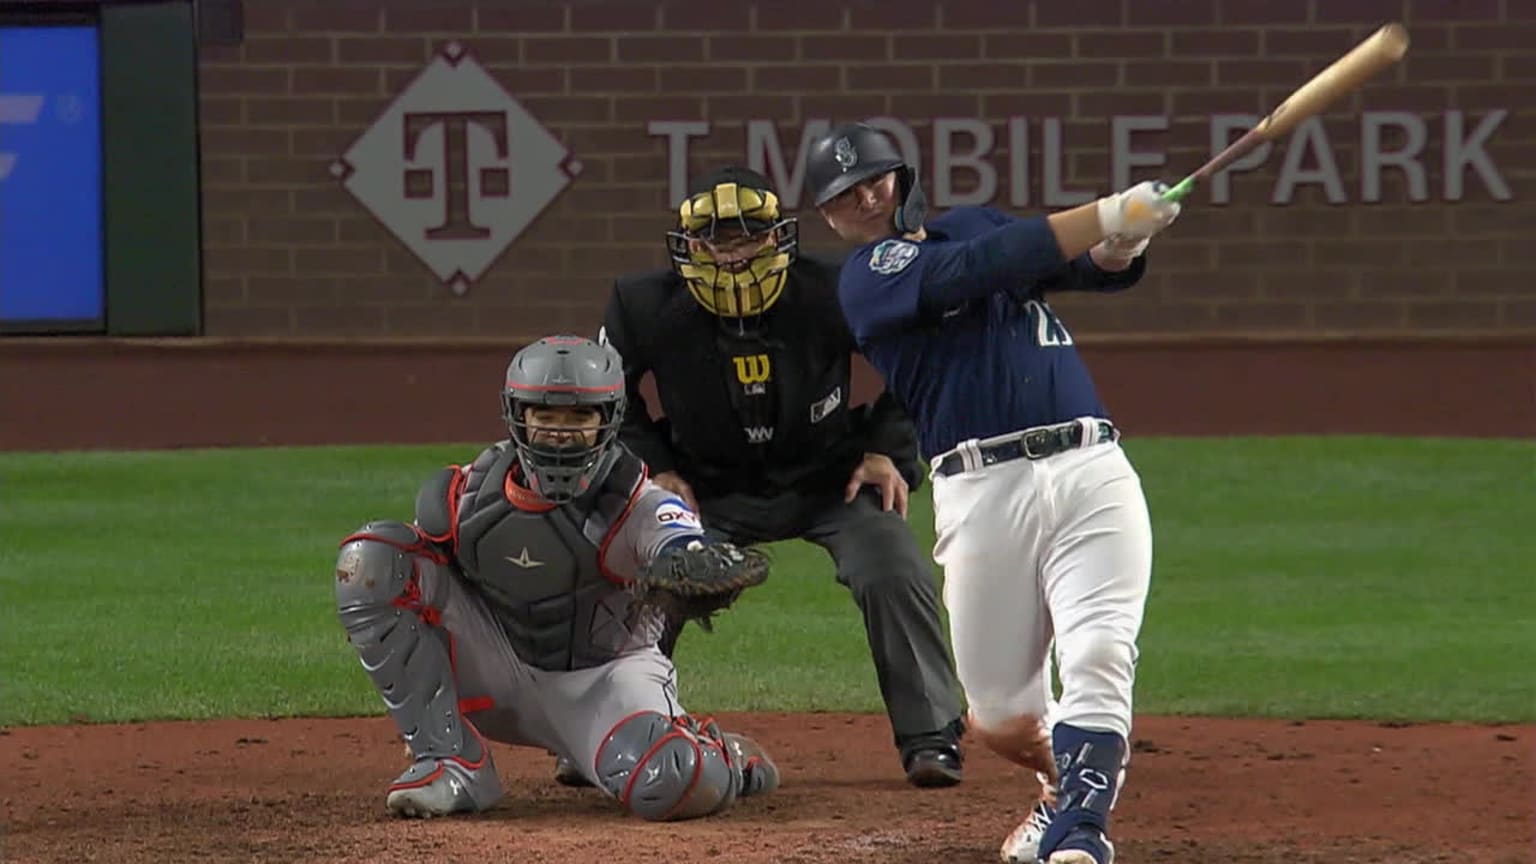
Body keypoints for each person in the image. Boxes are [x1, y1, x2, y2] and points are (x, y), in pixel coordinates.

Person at [803, 122, 1182, 864]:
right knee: (1002, 716)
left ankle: (1080, 833)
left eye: (875, 177)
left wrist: (1122, 243)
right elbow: (980, 268)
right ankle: (1061, 795)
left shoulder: (974, 227)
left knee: (1100, 648)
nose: (865, 195)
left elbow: (1075, 269)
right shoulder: (867, 277)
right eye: (845, 192)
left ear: (902, 179)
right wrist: (1105, 213)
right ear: (828, 215)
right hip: (980, 490)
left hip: (1090, 468)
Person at [580, 164, 968, 789]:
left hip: (828, 478)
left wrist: (887, 451)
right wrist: (658, 470)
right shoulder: (642, 301)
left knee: (891, 561)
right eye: (714, 240)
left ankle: (932, 737)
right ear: (688, 246)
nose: (730, 256)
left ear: (776, 237)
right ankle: (608, 731)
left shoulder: (838, 286)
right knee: (642, 565)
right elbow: (607, 395)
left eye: (744, 238)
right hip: (705, 488)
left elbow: (917, 363)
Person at [333, 335, 778, 822]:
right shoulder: (468, 492)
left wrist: (692, 558)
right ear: (517, 415)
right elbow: (413, 580)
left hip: (604, 682)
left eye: (579, 418)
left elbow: (681, 540)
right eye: (545, 416)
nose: (560, 434)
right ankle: (449, 759)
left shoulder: (640, 503)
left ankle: (724, 755)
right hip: (498, 666)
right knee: (372, 561)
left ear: (608, 420)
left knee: (675, 781)